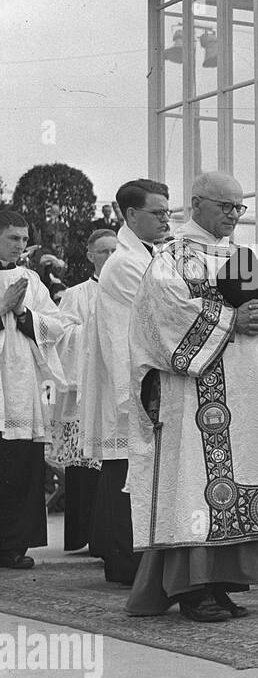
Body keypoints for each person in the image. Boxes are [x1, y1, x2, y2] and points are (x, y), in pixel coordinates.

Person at [124, 171, 258, 620]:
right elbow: (163, 314)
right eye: (225, 207)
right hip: (193, 392)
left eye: (239, 207)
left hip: (246, 389)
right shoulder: (171, 258)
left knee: (243, 474)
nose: (234, 216)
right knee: (197, 479)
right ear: (196, 205)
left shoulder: (245, 256)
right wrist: (233, 321)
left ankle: (223, 583)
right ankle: (192, 588)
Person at [80, 179, 171, 585]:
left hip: (143, 376)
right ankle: (123, 562)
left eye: (168, 212)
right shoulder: (124, 263)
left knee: (129, 473)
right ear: (131, 215)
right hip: (130, 381)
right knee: (123, 474)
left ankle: (128, 558)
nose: (166, 219)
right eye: (157, 213)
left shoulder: (150, 254)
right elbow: (159, 313)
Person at [0, 210, 72, 569]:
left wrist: (25, 315)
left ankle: (14, 545)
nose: (21, 246)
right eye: (14, 238)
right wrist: (1, 308)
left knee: (21, 464)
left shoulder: (30, 278)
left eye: (25, 239)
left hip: (20, 385)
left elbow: (56, 324)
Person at [51, 228, 118, 552]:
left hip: (116, 384)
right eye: (103, 251)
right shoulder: (76, 294)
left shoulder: (127, 288)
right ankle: (83, 535)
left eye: (113, 250)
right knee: (85, 463)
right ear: (90, 255)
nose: (109, 257)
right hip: (85, 386)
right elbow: (62, 335)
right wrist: (96, 329)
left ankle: (107, 539)